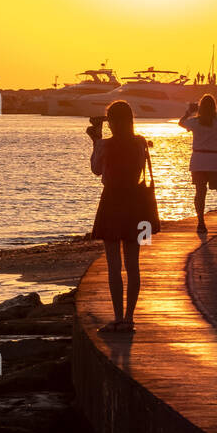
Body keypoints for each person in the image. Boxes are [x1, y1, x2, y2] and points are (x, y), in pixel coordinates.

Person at [88, 100, 151, 334]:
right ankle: (129, 318)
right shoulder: (140, 142)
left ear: (112, 121)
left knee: (114, 265)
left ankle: (117, 317)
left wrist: (95, 141)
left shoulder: (105, 145)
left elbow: (96, 170)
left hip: (112, 201)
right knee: (133, 265)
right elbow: (139, 168)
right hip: (135, 201)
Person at [179, 94, 217, 235]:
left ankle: (201, 223)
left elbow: (181, 122)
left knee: (200, 193)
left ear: (200, 107)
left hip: (198, 160)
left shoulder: (194, 122)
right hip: (214, 160)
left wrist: (189, 112)